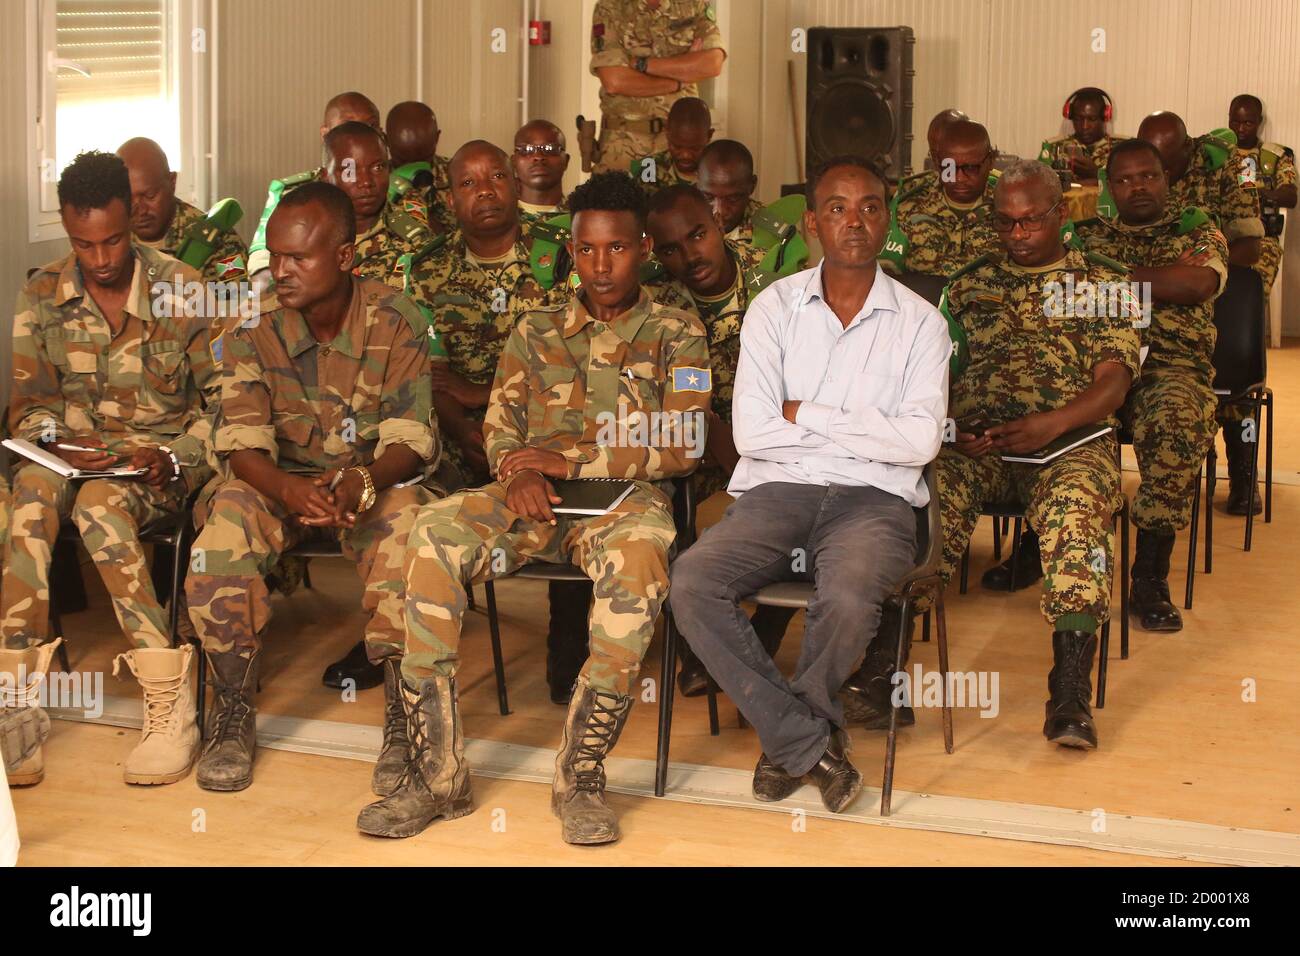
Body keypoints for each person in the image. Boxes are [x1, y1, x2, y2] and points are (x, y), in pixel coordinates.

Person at [358, 171, 710, 845]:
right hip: (527, 500)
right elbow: (500, 421)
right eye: (586, 249)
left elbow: (684, 444)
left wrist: (571, 462)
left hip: (622, 506)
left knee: (638, 570)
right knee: (429, 533)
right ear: (570, 250)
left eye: (616, 249)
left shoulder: (676, 331)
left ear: (641, 248)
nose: (600, 264)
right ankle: (435, 774)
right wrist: (513, 469)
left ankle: (580, 774)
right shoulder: (537, 326)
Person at [668, 155, 950, 812]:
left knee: (850, 597)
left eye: (870, 206)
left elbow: (919, 442)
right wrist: (862, 428)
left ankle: (791, 739)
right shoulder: (774, 309)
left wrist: (808, 413)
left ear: (887, 219)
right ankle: (803, 737)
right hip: (779, 491)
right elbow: (754, 434)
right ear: (814, 221)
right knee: (692, 580)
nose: (855, 220)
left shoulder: (921, 323)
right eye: (839, 207)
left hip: (875, 502)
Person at [184, 183, 440, 795]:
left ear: (346, 257)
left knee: (409, 534)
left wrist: (363, 480)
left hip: (369, 480)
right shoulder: (252, 322)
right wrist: (290, 492)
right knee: (222, 533)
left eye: (299, 258)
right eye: (275, 257)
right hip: (276, 481)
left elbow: (410, 440)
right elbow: (241, 443)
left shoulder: (397, 320)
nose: (283, 271)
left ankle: (405, 722)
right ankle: (232, 708)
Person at [887, 160, 1140, 750]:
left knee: (1077, 519)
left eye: (1031, 221)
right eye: (1006, 223)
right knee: (917, 505)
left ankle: (1069, 692)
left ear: (1060, 213)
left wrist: (1051, 424)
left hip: (1070, 446)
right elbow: (932, 375)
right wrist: (952, 428)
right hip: (983, 448)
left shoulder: (1103, 282)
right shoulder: (970, 283)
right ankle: (882, 668)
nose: (1018, 234)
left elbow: (1114, 383)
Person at [2, 151, 221, 786]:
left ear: (136, 218)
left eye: (113, 240)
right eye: (83, 243)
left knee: (99, 505)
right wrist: (51, 443)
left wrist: (175, 457)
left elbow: (228, 405)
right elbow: (30, 405)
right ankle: (14, 708)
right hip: (71, 461)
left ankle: (168, 699)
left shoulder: (185, 290)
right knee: (30, 497)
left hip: (154, 469)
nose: (99, 258)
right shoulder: (42, 292)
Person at [404, 140, 589, 706]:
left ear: (515, 185)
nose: (484, 191)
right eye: (468, 183)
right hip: (461, 439)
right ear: (450, 197)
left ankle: (569, 638)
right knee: (406, 507)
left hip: (553, 432)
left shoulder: (562, 254)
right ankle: (397, 653)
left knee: (570, 495)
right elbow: (431, 380)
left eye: (495, 178)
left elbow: (579, 365)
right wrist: (475, 436)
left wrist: (482, 398)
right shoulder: (429, 268)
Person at [644, 183, 797, 695]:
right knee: (654, 507)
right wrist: (703, 429)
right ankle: (698, 649)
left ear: (716, 220)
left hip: (778, 440)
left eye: (697, 235)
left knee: (809, 505)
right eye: (669, 249)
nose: (689, 256)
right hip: (697, 442)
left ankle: (759, 638)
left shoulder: (776, 276)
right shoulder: (655, 299)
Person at [1075, 139, 1227, 632]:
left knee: (1176, 421)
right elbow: (1060, 292)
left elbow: (1196, 284)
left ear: (1166, 179)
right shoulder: (1084, 234)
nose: (1137, 186)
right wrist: (1149, 280)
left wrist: (1113, 277)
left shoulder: (1196, 227)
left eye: (1148, 176)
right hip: (1094, 367)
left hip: (1169, 369)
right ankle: (1042, 549)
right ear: (1109, 187)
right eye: (1124, 179)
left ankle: (1149, 574)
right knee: (1036, 402)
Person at [1224, 94, 1295, 515]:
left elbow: (1289, 193)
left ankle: (1244, 478)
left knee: (1242, 305)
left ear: (1259, 121)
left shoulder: (1274, 155)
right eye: (1237, 120)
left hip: (1259, 245)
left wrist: (1255, 185)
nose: (1242, 127)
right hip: (1218, 243)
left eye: (1249, 121)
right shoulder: (1213, 155)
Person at [246, 91, 382, 279]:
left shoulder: (394, 191)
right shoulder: (293, 192)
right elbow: (262, 260)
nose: (358, 133)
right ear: (325, 134)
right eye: (348, 125)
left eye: (371, 125)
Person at [589, 0, 725, 174]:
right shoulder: (610, 7)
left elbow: (712, 64)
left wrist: (641, 64)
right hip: (623, 144)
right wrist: (680, 80)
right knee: (616, 199)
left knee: (681, 201)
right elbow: (614, 81)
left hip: (681, 147)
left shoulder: (694, 5)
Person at [1136, 111, 1263, 268]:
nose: (1158, 177)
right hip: (1148, 271)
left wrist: (1195, 266)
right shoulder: (1132, 167)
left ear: (1188, 148)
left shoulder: (1240, 165)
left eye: (1166, 168)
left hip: (1208, 272)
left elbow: (1250, 249)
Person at [116, 137, 248, 283]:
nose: (140, 211)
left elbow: (237, 301)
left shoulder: (219, 242)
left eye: (150, 196)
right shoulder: (110, 238)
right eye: (128, 199)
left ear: (172, 182)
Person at [320, 121, 434, 285]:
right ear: (326, 177)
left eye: (378, 167)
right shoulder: (307, 237)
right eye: (350, 170)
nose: (366, 182)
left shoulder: (415, 241)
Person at [881, 120, 1000, 277]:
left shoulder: (1009, 208)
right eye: (948, 167)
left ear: (990, 161)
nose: (959, 178)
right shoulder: (908, 207)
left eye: (971, 168)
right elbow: (887, 272)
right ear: (937, 163)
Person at [386, 100, 455, 232]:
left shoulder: (459, 175)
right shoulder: (373, 183)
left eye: (424, 159)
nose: (415, 169)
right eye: (403, 160)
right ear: (385, 140)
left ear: (437, 138)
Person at [1039, 88, 1122, 185]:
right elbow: (1039, 184)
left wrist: (1097, 174)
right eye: (1078, 119)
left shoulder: (1122, 149)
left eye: (1092, 119)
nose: (1084, 126)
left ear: (1105, 117)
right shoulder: (1053, 147)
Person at [631, 97, 713, 192]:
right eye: (677, 147)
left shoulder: (721, 171)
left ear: (709, 135)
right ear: (667, 133)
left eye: (695, 148)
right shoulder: (650, 167)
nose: (685, 155)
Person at [696, 139, 761, 248]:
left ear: (752, 185)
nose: (719, 211)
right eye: (708, 197)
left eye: (733, 198)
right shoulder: (682, 224)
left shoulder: (774, 234)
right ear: (697, 182)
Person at [512, 120, 570, 236]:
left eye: (550, 149)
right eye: (526, 149)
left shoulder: (582, 219)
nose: (538, 157)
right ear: (513, 161)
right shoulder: (498, 219)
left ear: (566, 161)